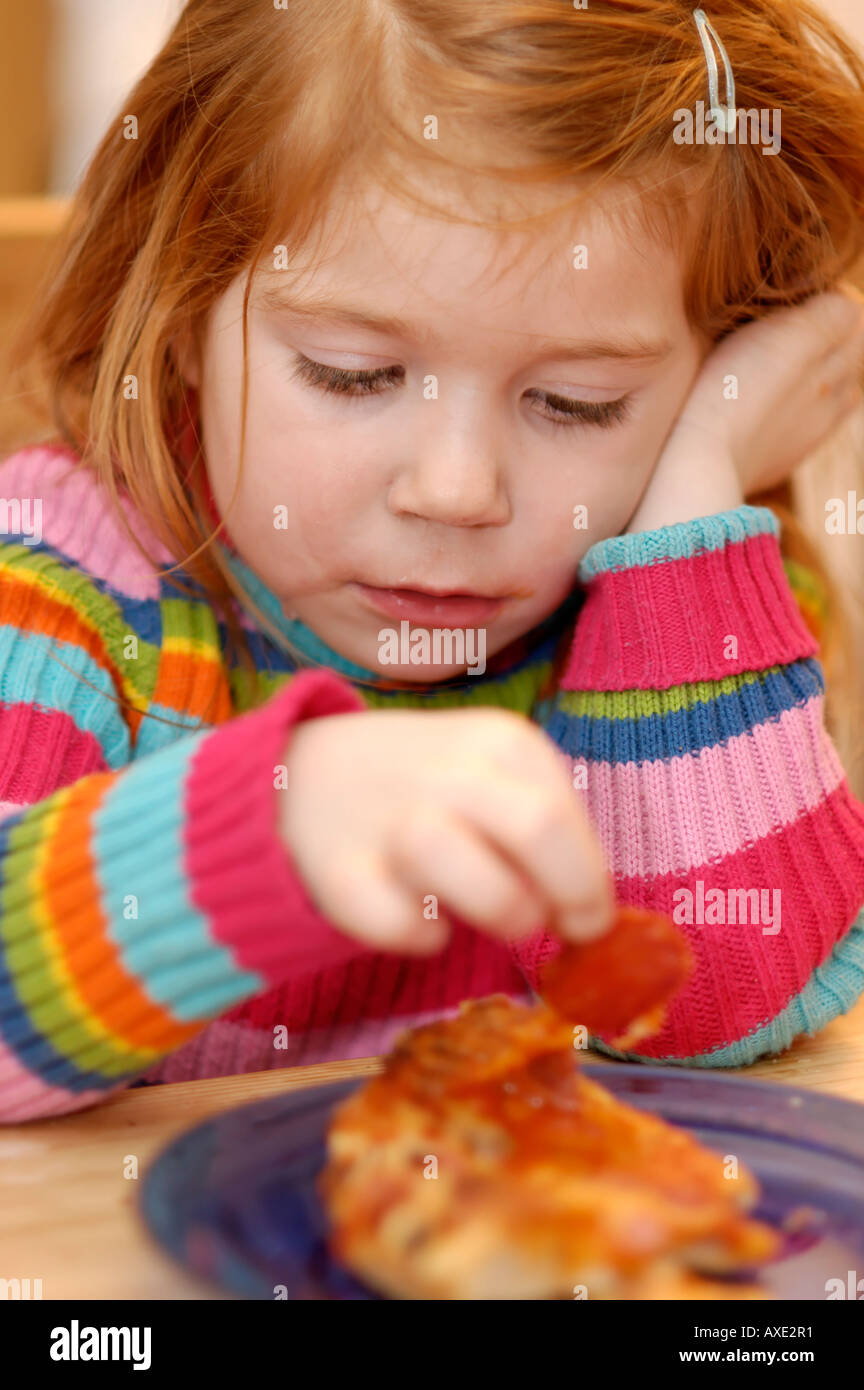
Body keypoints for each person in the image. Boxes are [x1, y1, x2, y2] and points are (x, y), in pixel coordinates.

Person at [2, 0, 864, 1122]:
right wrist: (263, 829)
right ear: (181, 313)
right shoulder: (65, 593)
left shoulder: (687, 599)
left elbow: (726, 1012)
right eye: (354, 375)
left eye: (577, 402)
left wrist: (699, 481)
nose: (456, 490)